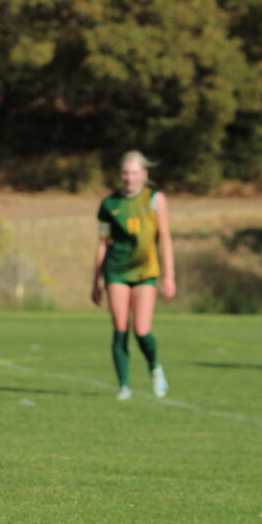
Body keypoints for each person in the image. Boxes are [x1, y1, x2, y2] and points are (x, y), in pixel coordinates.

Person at [91, 150, 176, 400]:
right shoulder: (109, 204)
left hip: (145, 272)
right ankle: (124, 386)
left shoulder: (155, 199)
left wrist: (168, 276)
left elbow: (165, 239)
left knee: (141, 330)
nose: (129, 177)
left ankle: (154, 366)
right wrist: (95, 280)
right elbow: (102, 244)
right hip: (116, 271)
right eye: (125, 173)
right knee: (120, 327)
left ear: (144, 174)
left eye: (134, 173)